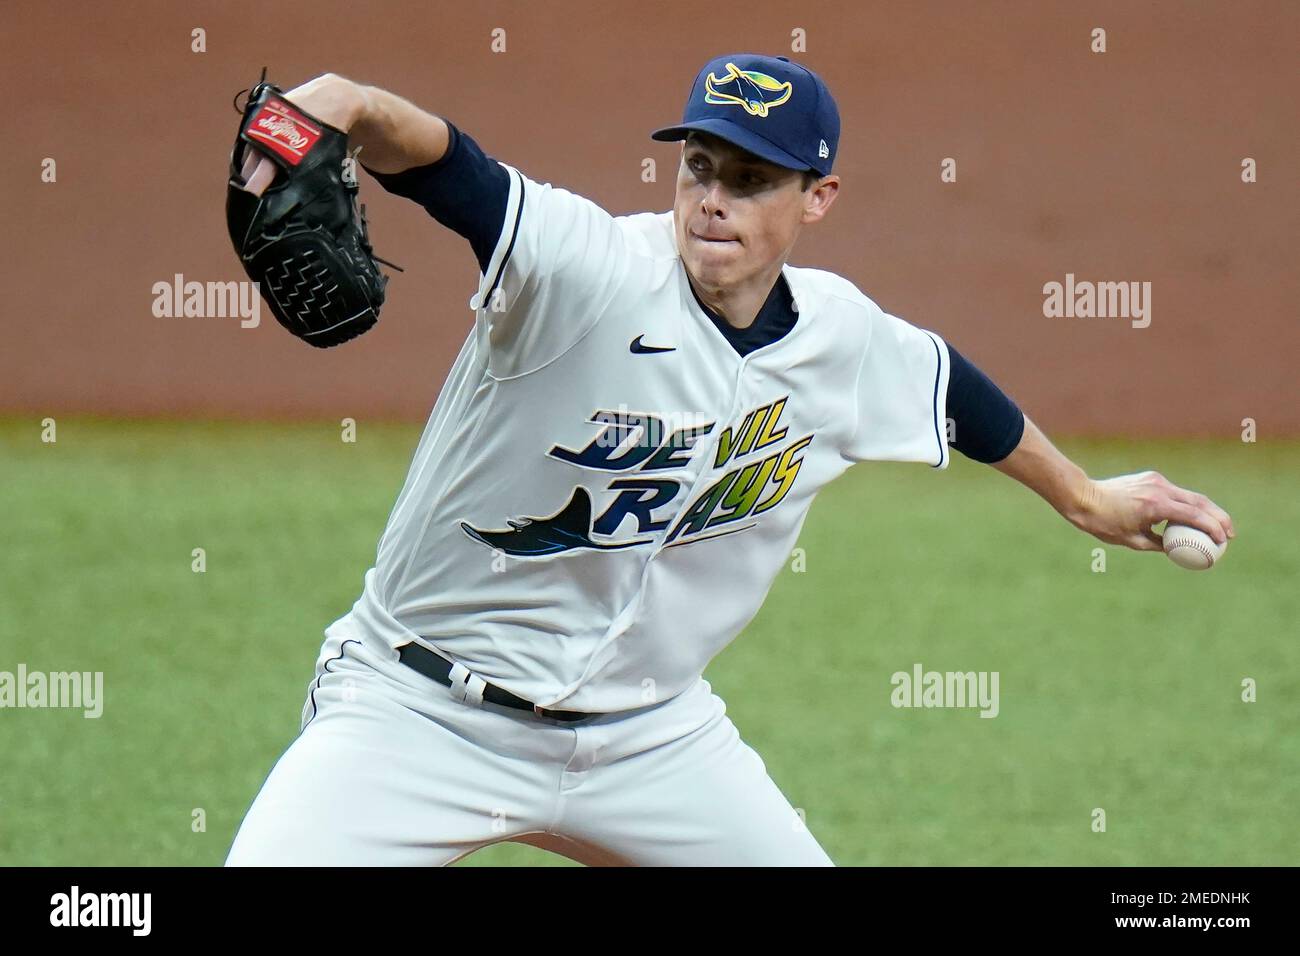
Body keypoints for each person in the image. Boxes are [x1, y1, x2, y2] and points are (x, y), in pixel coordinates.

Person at [226, 53, 1233, 866]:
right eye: (699, 168)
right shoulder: (590, 270)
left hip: (648, 738)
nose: (713, 199)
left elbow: (955, 394)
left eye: (749, 179)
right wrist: (351, 103)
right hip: (421, 711)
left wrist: (1084, 496)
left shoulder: (842, 338)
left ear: (817, 197)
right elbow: (450, 168)